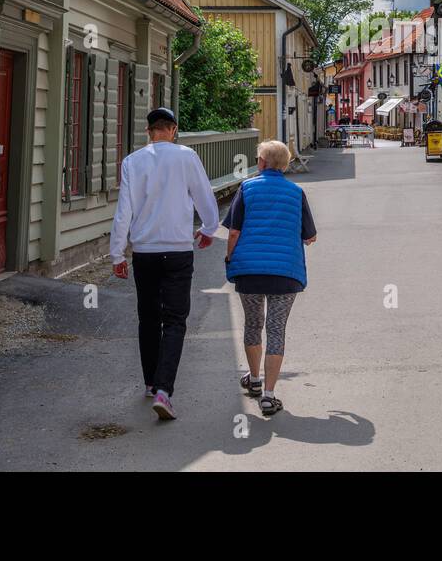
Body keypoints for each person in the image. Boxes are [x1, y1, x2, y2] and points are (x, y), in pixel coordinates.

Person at [110, 107, 220, 421]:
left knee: (147, 317)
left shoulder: (132, 161)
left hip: (144, 252)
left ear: (149, 131)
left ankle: (149, 382)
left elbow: (123, 212)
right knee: (174, 320)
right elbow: (203, 196)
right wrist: (209, 229)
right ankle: (164, 390)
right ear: (173, 129)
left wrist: (118, 254)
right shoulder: (186, 157)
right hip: (177, 251)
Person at [223, 140, 317, 416]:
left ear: (262, 162)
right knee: (276, 329)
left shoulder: (247, 189)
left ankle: (253, 380)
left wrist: (230, 258)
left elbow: (233, 232)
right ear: (284, 164)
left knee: (253, 324)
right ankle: (269, 395)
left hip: (250, 271)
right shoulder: (296, 193)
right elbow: (310, 236)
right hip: (285, 274)